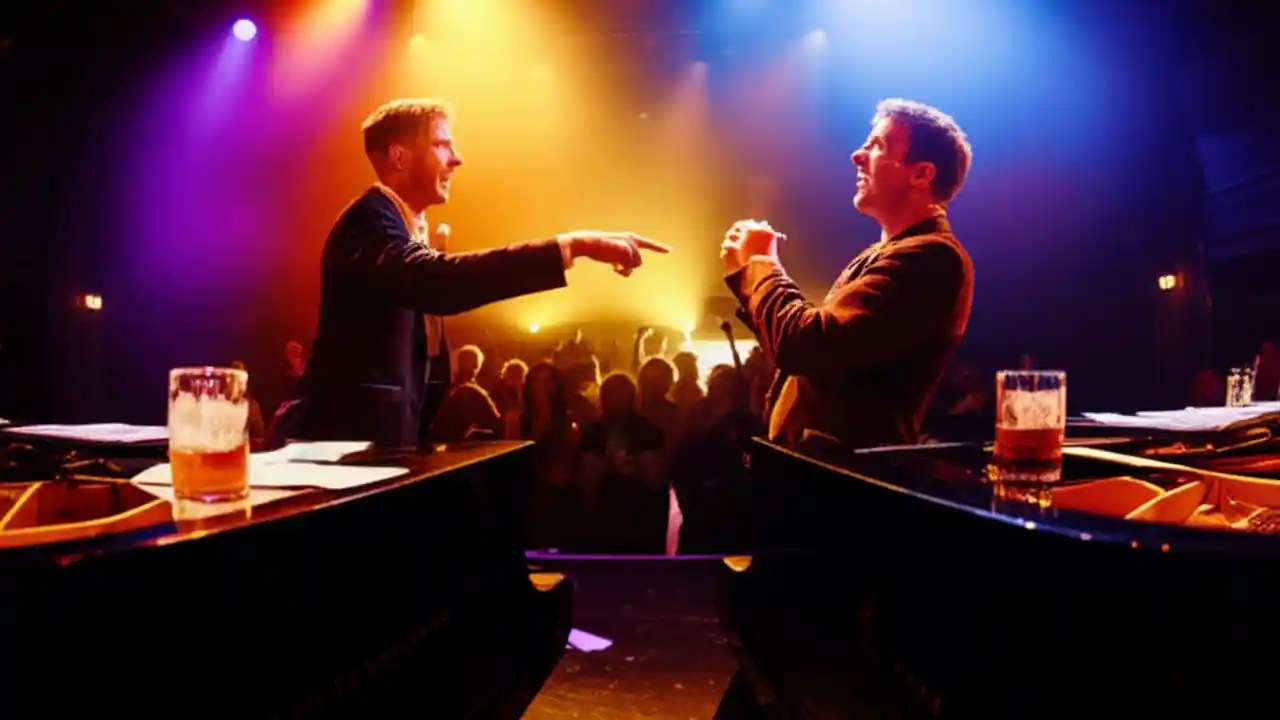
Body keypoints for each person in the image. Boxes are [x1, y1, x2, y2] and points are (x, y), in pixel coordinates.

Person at [278, 98, 668, 447]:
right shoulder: (368, 221)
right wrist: (574, 245)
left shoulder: (404, 227)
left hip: (376, 449)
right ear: (399, 157)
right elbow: (436, 283)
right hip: (340, 451)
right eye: (442, 144)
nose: (457, 158)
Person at [721, 98, 974, 448]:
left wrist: (763, 264)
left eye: (876, 146)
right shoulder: (890, 253)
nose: (857, 155)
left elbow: (806, 345)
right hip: (818, 478)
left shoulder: (933, 256)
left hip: (840, 487)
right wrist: (747, 275)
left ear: (921, 173)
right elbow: (806, 352)